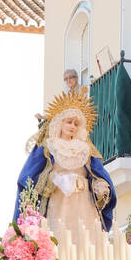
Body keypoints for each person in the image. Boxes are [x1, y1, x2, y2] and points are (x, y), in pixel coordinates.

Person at [13, 88, 117, 238]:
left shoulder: (85, 150)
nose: (72, 126)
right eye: (69, 122)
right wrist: (53, 181)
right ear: (59, 123)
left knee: (85, 240)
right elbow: (27, 178)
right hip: (59, 203)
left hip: (83, 205)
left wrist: (100, 186)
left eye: (76, 123)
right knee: (59, 239)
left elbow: (96, 174)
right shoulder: (49, 147)